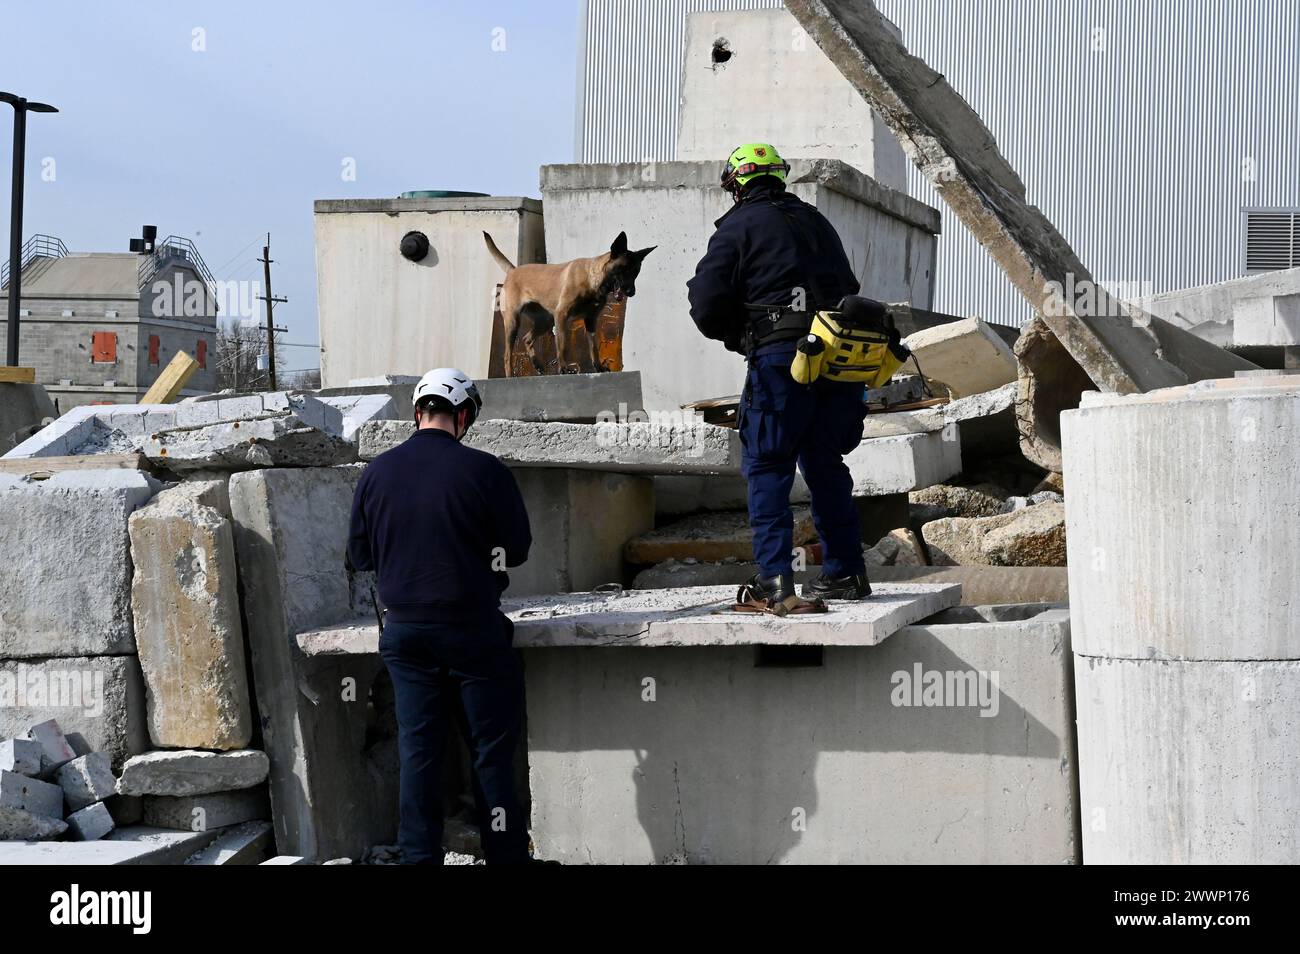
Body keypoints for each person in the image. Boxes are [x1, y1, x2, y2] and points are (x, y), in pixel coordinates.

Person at [347, 367, 532, 864]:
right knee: (491, 753)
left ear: (417, 412)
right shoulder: (486, 470)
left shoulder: (376, 473)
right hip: (473, 631)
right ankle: (507, 855)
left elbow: (360, 558)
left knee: (419, 753)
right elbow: (516, 550)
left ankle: (417, 858)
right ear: (465, 414)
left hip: (405, 633)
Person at [687, 142, 872, 606]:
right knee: (826, 462)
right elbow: (847, 288)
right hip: (836, 356)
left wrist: (742, 336)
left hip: (780, 359)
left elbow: (706, 304)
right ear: (778, 177)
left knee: (768, 464)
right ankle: (846, 573)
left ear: (736, 185)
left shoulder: (738, 227)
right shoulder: (817, 221)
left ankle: (774, 579)